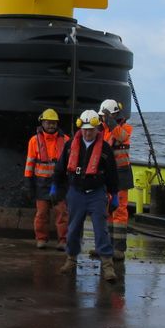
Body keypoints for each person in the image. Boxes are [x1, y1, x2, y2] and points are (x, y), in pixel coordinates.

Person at [52, 109, 120, 282]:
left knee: (101, 230)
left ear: (97, 129)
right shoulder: (70, 146)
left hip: (96, 194)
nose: (88, 133)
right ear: (80, 129)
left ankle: (107, 266)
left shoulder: (105, 149)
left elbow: (112, 174)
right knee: (73, 228)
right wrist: (55, 186)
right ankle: (71, 260)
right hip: (76, 192)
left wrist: (114, 194)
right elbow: (60, 168)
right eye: (85, 130)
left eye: (91, 130)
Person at [24, 108, 69, 249]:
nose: (51, 125)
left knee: (62, 213)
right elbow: (30, 163)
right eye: (48, 122)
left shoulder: (66, 140)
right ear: (42, 123)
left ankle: (63, 241)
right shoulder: (34, 141)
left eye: (53, 123)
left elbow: (70, 163)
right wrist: (28, 182)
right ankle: (41, 239)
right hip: (41, 183)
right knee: (42, 213)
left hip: (60, 183)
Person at [100, 99, 134, 260]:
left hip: (121, 174)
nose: (102, 119)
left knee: (119, 211)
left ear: (112, 115)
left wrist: (111, 122)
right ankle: (106, 247)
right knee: (107, 210)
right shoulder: (103, 131)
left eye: (104, 116)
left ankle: (119, 249)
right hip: (107, 175)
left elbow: (121, 136)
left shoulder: (124, 128)